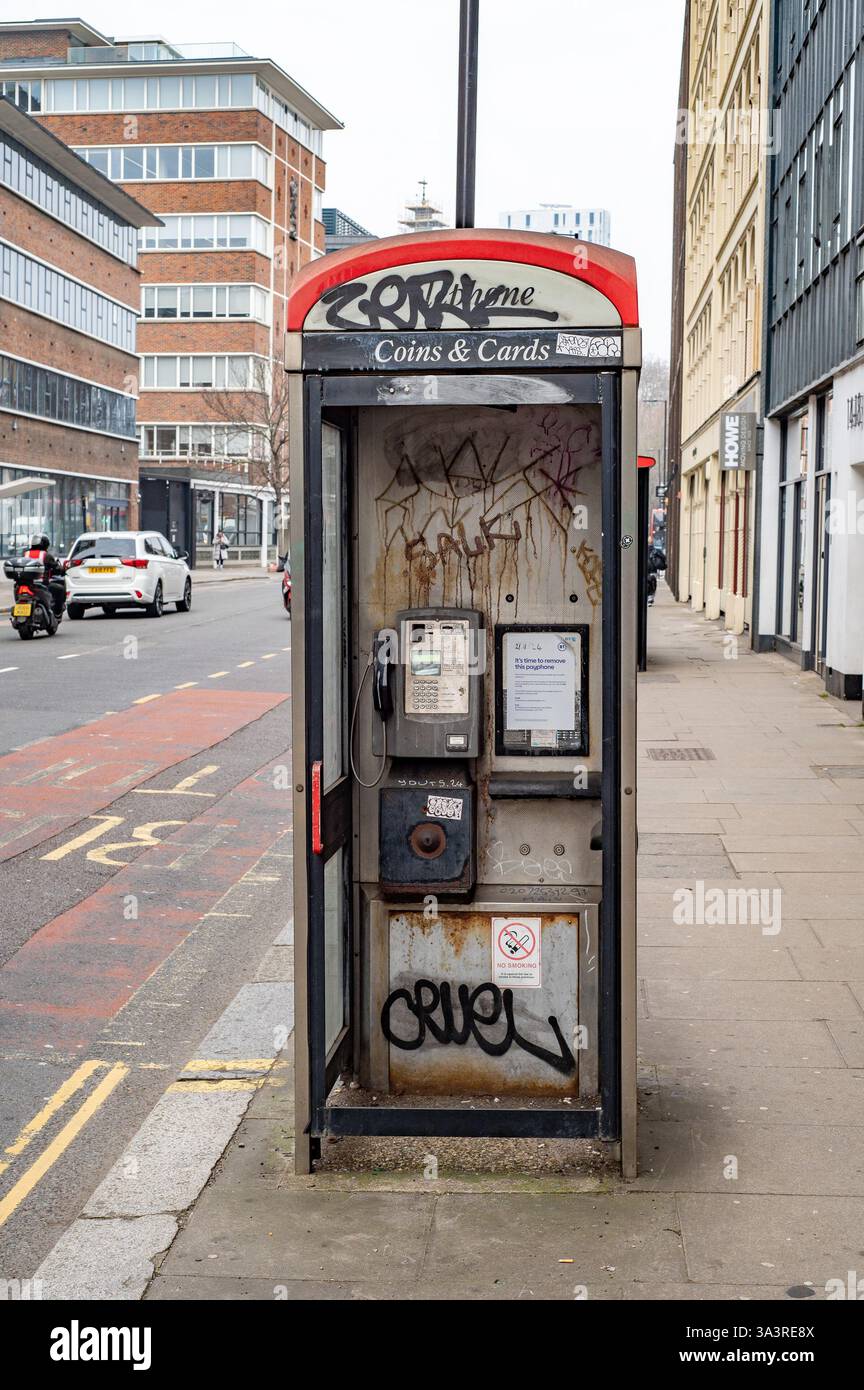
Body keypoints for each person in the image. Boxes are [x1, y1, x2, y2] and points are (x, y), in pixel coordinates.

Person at [26, 534, 66, 618]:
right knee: (60, 589)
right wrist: (62, 570)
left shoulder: (26, 554)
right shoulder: (46, 555)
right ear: (45, 544)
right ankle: (58, 613)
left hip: (26, 584)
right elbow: (57, 569)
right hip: (42, 585)